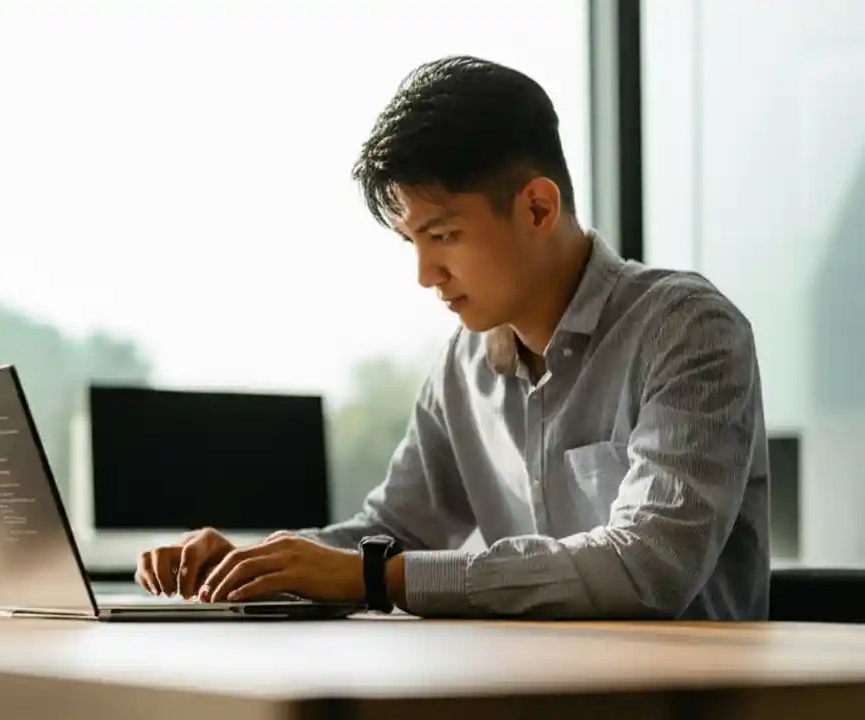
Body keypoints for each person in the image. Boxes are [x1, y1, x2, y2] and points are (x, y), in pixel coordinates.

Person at [135, 55, 769, 620]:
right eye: (411, 243)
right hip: (519, 691)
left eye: (442, 237)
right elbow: (391, 531)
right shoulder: (462, 367)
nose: (424, 275)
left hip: (683, 699)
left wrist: (377, 577)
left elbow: (649, 563)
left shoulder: (687, 329)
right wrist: (259, 564)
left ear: (538, 209)